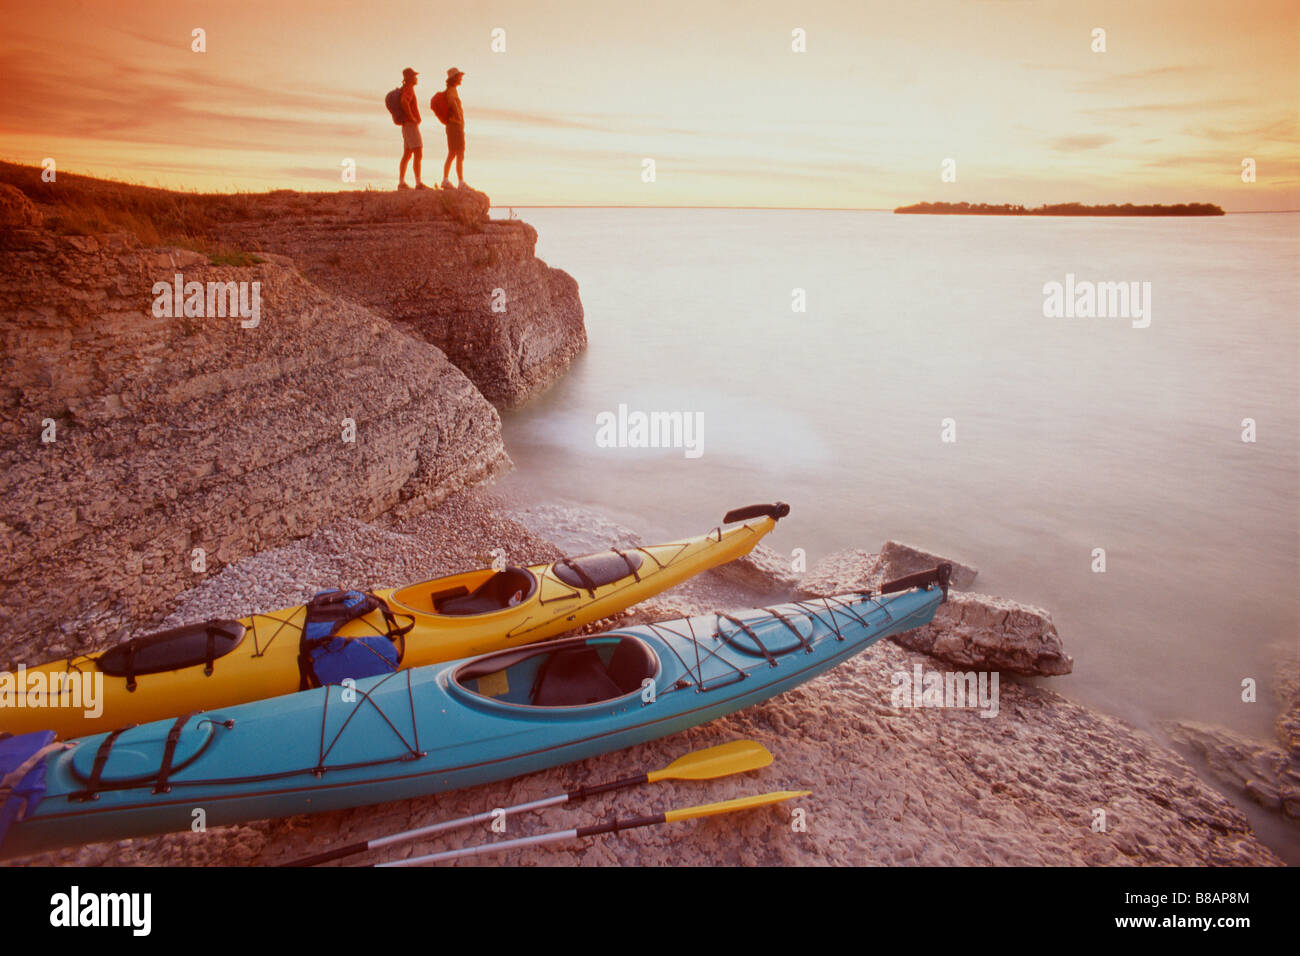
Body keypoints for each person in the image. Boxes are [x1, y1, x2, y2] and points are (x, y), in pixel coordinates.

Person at [398, 67, 428, 190]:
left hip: (406, 125)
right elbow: (404, 102)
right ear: (409, 78)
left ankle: (402, 183)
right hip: (410, 125)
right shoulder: (409, 89)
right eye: (414, 76)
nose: (416, 78)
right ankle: (418, 183)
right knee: (418, 151)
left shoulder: (405, 88)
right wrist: (412, 117)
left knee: (407, 154)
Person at [440, 68, 468, 189]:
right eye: (459, 76)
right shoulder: (451, 90)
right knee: (458, 153)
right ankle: (460, 182)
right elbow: (452, 102)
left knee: (453, 153)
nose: (461, 78)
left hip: (453, 125)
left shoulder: (452, 90)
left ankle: (447, 180)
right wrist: (458, 117)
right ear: (454, 78)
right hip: (455, 125)